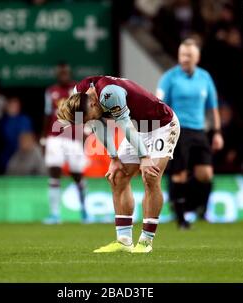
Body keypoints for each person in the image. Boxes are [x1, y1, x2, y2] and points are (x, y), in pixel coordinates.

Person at [57, 75, 180, 253]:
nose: (87, 122)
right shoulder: (79, 95)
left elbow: (126, 128)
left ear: (93, 104)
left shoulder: (109, 94)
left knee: (150, 177)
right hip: (138, 127)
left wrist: (145, 157)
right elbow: (97, 126)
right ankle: (123, 240)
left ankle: (146, 241)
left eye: (87, 118)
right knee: (117, 177)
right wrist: (114, 159)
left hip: (162, 125)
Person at [157, 38, 223, 229]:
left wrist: (217, 132)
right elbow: (160, 105)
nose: (185, 59)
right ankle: (181, 219)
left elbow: (213, 107)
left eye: (189, 55)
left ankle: (200, 209)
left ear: (197, 57)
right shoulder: (170, 77)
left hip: (199, 131)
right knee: (179, 174)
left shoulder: (205, 78)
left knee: (205, 174)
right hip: (178, 130)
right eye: (182, 55)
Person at [41, 63, 88, 224]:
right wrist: (43, 138)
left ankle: (85, 211)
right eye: (60, 72)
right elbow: (47, 114)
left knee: (77, 175)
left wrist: (84, 136)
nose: (63, 75)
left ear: (69, 73)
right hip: (54, 137)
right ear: (57, 74)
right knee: (54, 172)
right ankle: (54, 214)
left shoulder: (77, 90)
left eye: (65, 72)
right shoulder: (51, 91)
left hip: (73, 137)